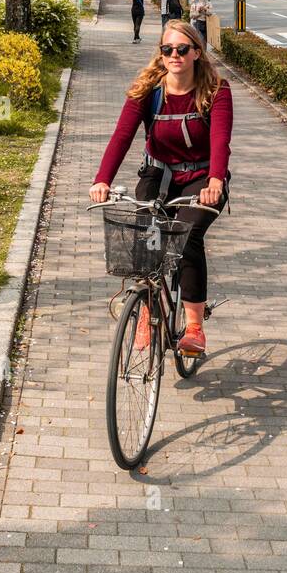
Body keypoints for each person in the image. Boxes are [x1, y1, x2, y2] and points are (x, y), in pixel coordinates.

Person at [89, 21, 232, 356]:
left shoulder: (215, 91)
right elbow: (122, 136)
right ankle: (148, 312)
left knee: (187, 234)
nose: (175, 56)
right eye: (168, 50)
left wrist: (215, 181)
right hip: (159, 174)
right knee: (148, 232)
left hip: (202, 177)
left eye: (182, 49)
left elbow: (220, 140)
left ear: (196, 52)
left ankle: (194, 327)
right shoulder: (149, 90)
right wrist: (102, 179)